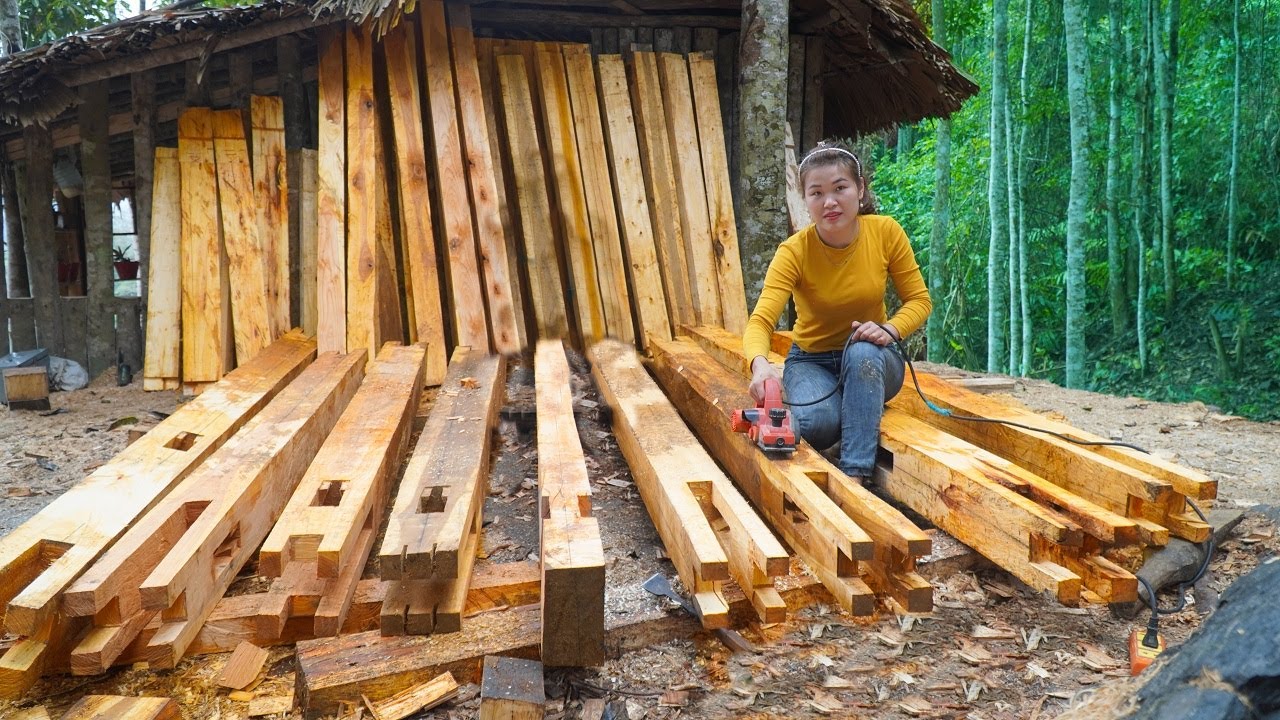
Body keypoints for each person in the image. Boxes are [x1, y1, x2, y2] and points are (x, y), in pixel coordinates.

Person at [743, 141, 932, 481]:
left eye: (840, 188)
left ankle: (855, 476)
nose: (829, 202)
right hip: (811, 361)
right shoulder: (794, 252)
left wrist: (890, 330)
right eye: (816, 193)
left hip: (875, 358)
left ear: (859, 189)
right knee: (816, 425)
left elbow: (920, 301)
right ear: (806, 201)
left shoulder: (886, 232)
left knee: (861, 350)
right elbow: (761, 321)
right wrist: (759, 365)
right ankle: (857, 404)